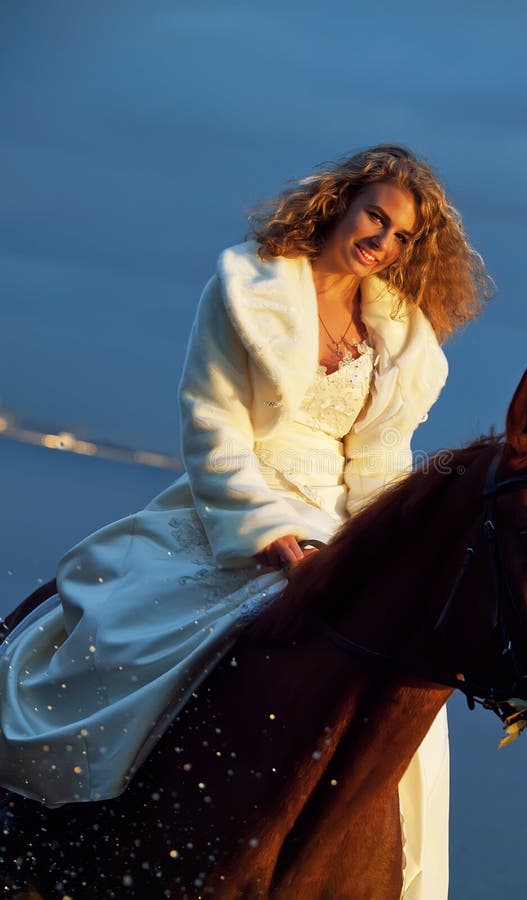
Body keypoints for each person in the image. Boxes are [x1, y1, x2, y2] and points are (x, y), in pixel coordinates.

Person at [0, 145, 489, 897]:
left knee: (395, 680)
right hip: (244, 499)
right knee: (129, 631)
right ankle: (69, 827)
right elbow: (212, 422)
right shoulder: (245, 288)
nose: (383, 241)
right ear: (340, 203)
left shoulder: (402, 336)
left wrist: (385, 553)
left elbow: (380, 459)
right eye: (376, 217)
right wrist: (265, 531)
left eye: (402, 236)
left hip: (344, 525)